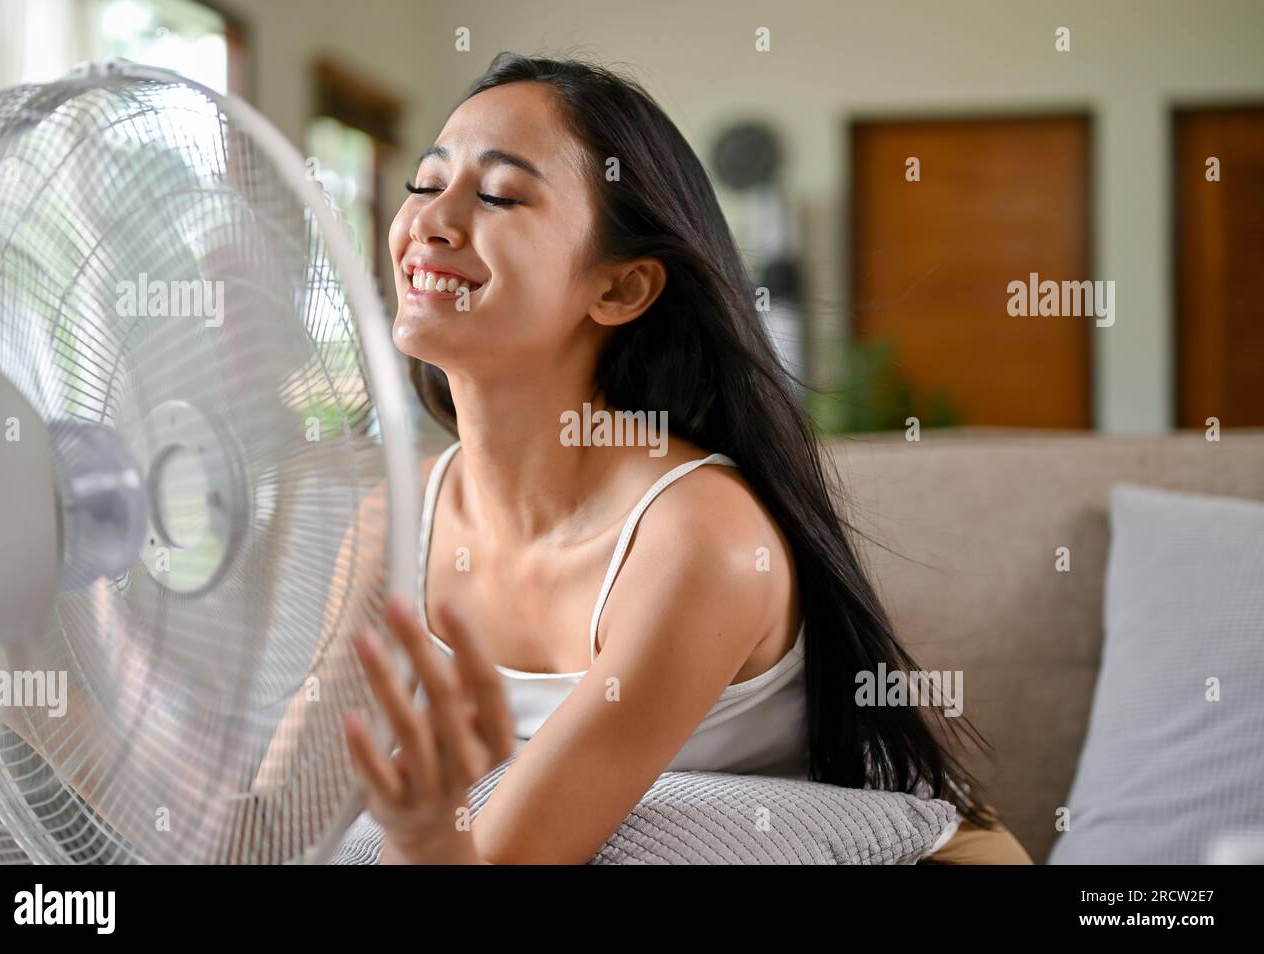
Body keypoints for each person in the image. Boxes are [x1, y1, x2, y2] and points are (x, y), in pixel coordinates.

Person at [343, 52, 1030, 865]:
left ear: (622, 289)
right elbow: (274, 812)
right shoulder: (390, 521)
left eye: (498, 194)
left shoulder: (696, 539)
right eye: (426, 183)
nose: (431, 220)